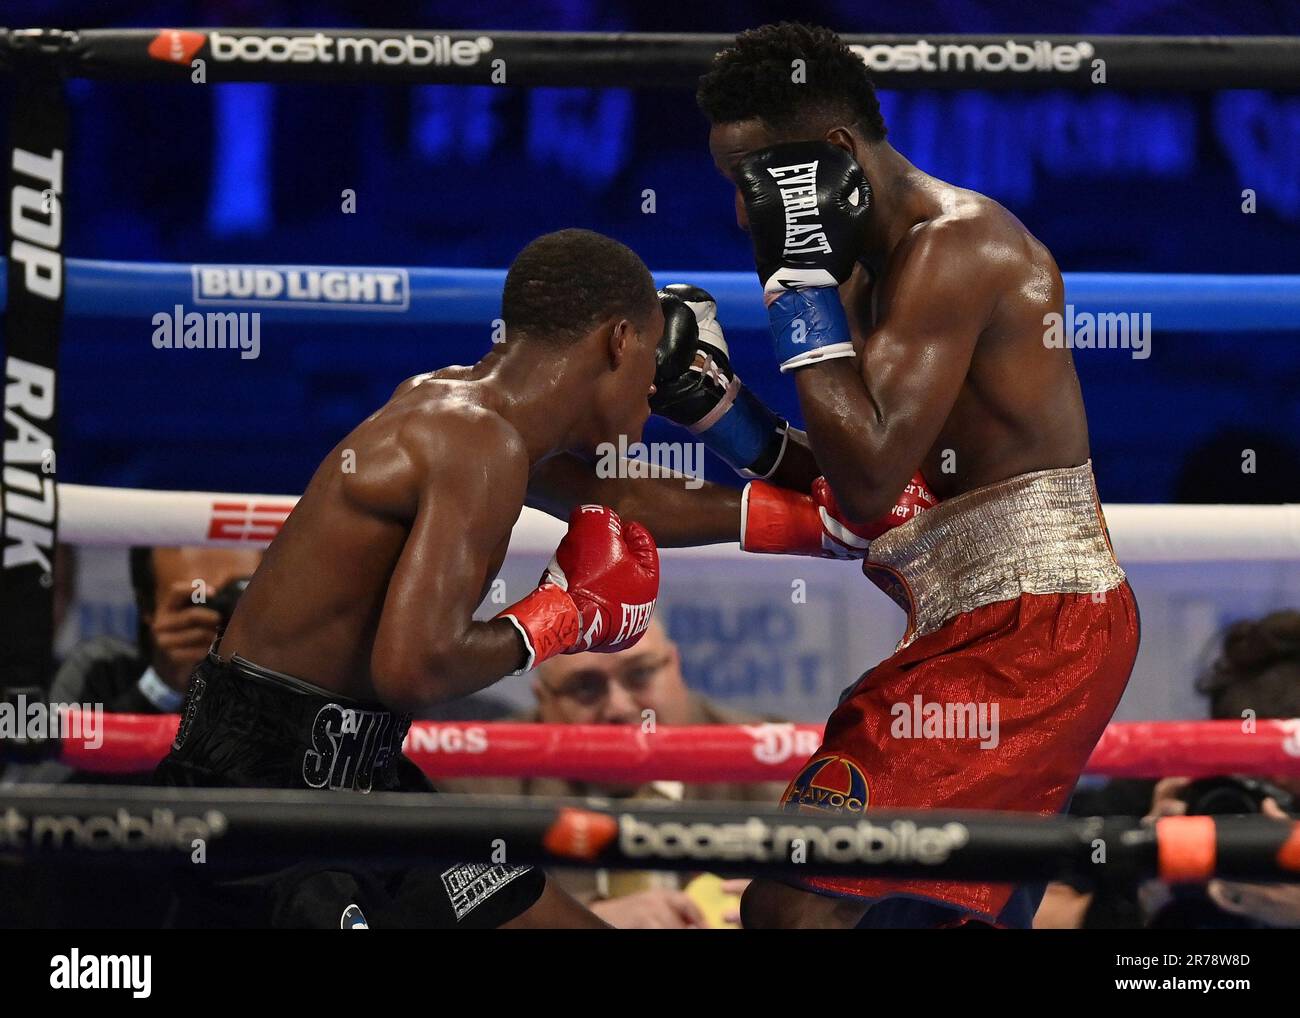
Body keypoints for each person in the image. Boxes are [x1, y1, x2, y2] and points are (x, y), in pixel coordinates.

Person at [683, 22, 1140, 928]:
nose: (742, 214)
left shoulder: (957, 248)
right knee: (942, 911)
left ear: (835, 154)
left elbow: (866, 475)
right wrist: (718, 411)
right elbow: (865, 496)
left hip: (1035, 625)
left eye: (750, 180)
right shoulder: (863, 272)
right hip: (987, 620)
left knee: (793, 904)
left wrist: (794, 283)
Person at [153, 228, 690, 929]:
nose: (654, 386)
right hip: (264, 800)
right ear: (620, 341)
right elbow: (414, 668)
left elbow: (628, 500)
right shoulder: (479, 441)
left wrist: (808, 513)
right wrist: (566, 615)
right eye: (651, 357)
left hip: (362, 778)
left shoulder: (469, 412)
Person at [439, 618, 785, 928]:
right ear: (544, 702)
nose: (618, 707)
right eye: (585, 687)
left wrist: (791, 912)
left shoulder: (779, 765)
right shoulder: (476, 785)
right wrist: (582, 923)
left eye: (640, 673)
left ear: (675, 666)